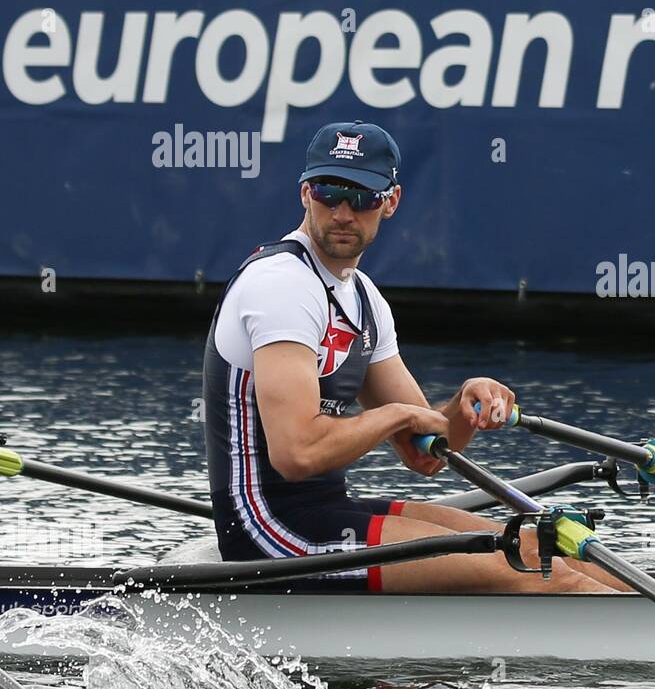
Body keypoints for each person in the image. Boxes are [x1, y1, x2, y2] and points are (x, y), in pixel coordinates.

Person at [202, 119, 621, 593]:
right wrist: (396, 415)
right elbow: (296, 454)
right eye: (328, 192)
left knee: (551, 551)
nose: (342, 212)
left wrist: (466, 404)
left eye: (361, 197)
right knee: (535, 570)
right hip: (267, 531)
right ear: (304, 193)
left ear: (391, 202)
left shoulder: (363, 299)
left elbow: (426, 453)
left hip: (326, 511)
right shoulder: (280, 283)